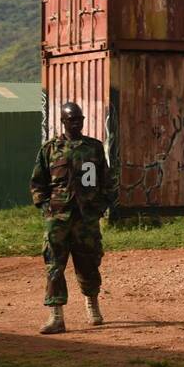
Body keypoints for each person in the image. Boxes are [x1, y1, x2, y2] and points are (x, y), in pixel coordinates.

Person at [30, 101, 118, 334]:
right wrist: (45, 206)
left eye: (79, 119)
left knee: (88, 263)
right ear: (63, 121)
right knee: (54, 266)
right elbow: (37, 183)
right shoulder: (50, 149)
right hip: (58, 218)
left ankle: (92, 304)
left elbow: (107, 181)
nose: (76, 123)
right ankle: (56, 316)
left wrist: (100, 207)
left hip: (86, 218)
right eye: (72, 119)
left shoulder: (94, 148)